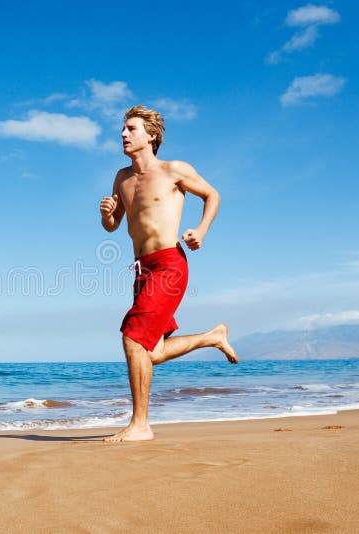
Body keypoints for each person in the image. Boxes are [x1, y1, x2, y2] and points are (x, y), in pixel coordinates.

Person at [99, 105, 238, 442]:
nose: (123, 134)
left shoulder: (173, 170)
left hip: (169, 264)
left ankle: (141, 425)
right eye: (123, 129)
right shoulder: (122, 177)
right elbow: (114, 226)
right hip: (140, 270)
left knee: (133, 337)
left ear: (151, 136)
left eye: (131, 129)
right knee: (152, 351)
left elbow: (212, 194)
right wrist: (106, 215)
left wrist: (201, 231)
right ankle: (212, 337)